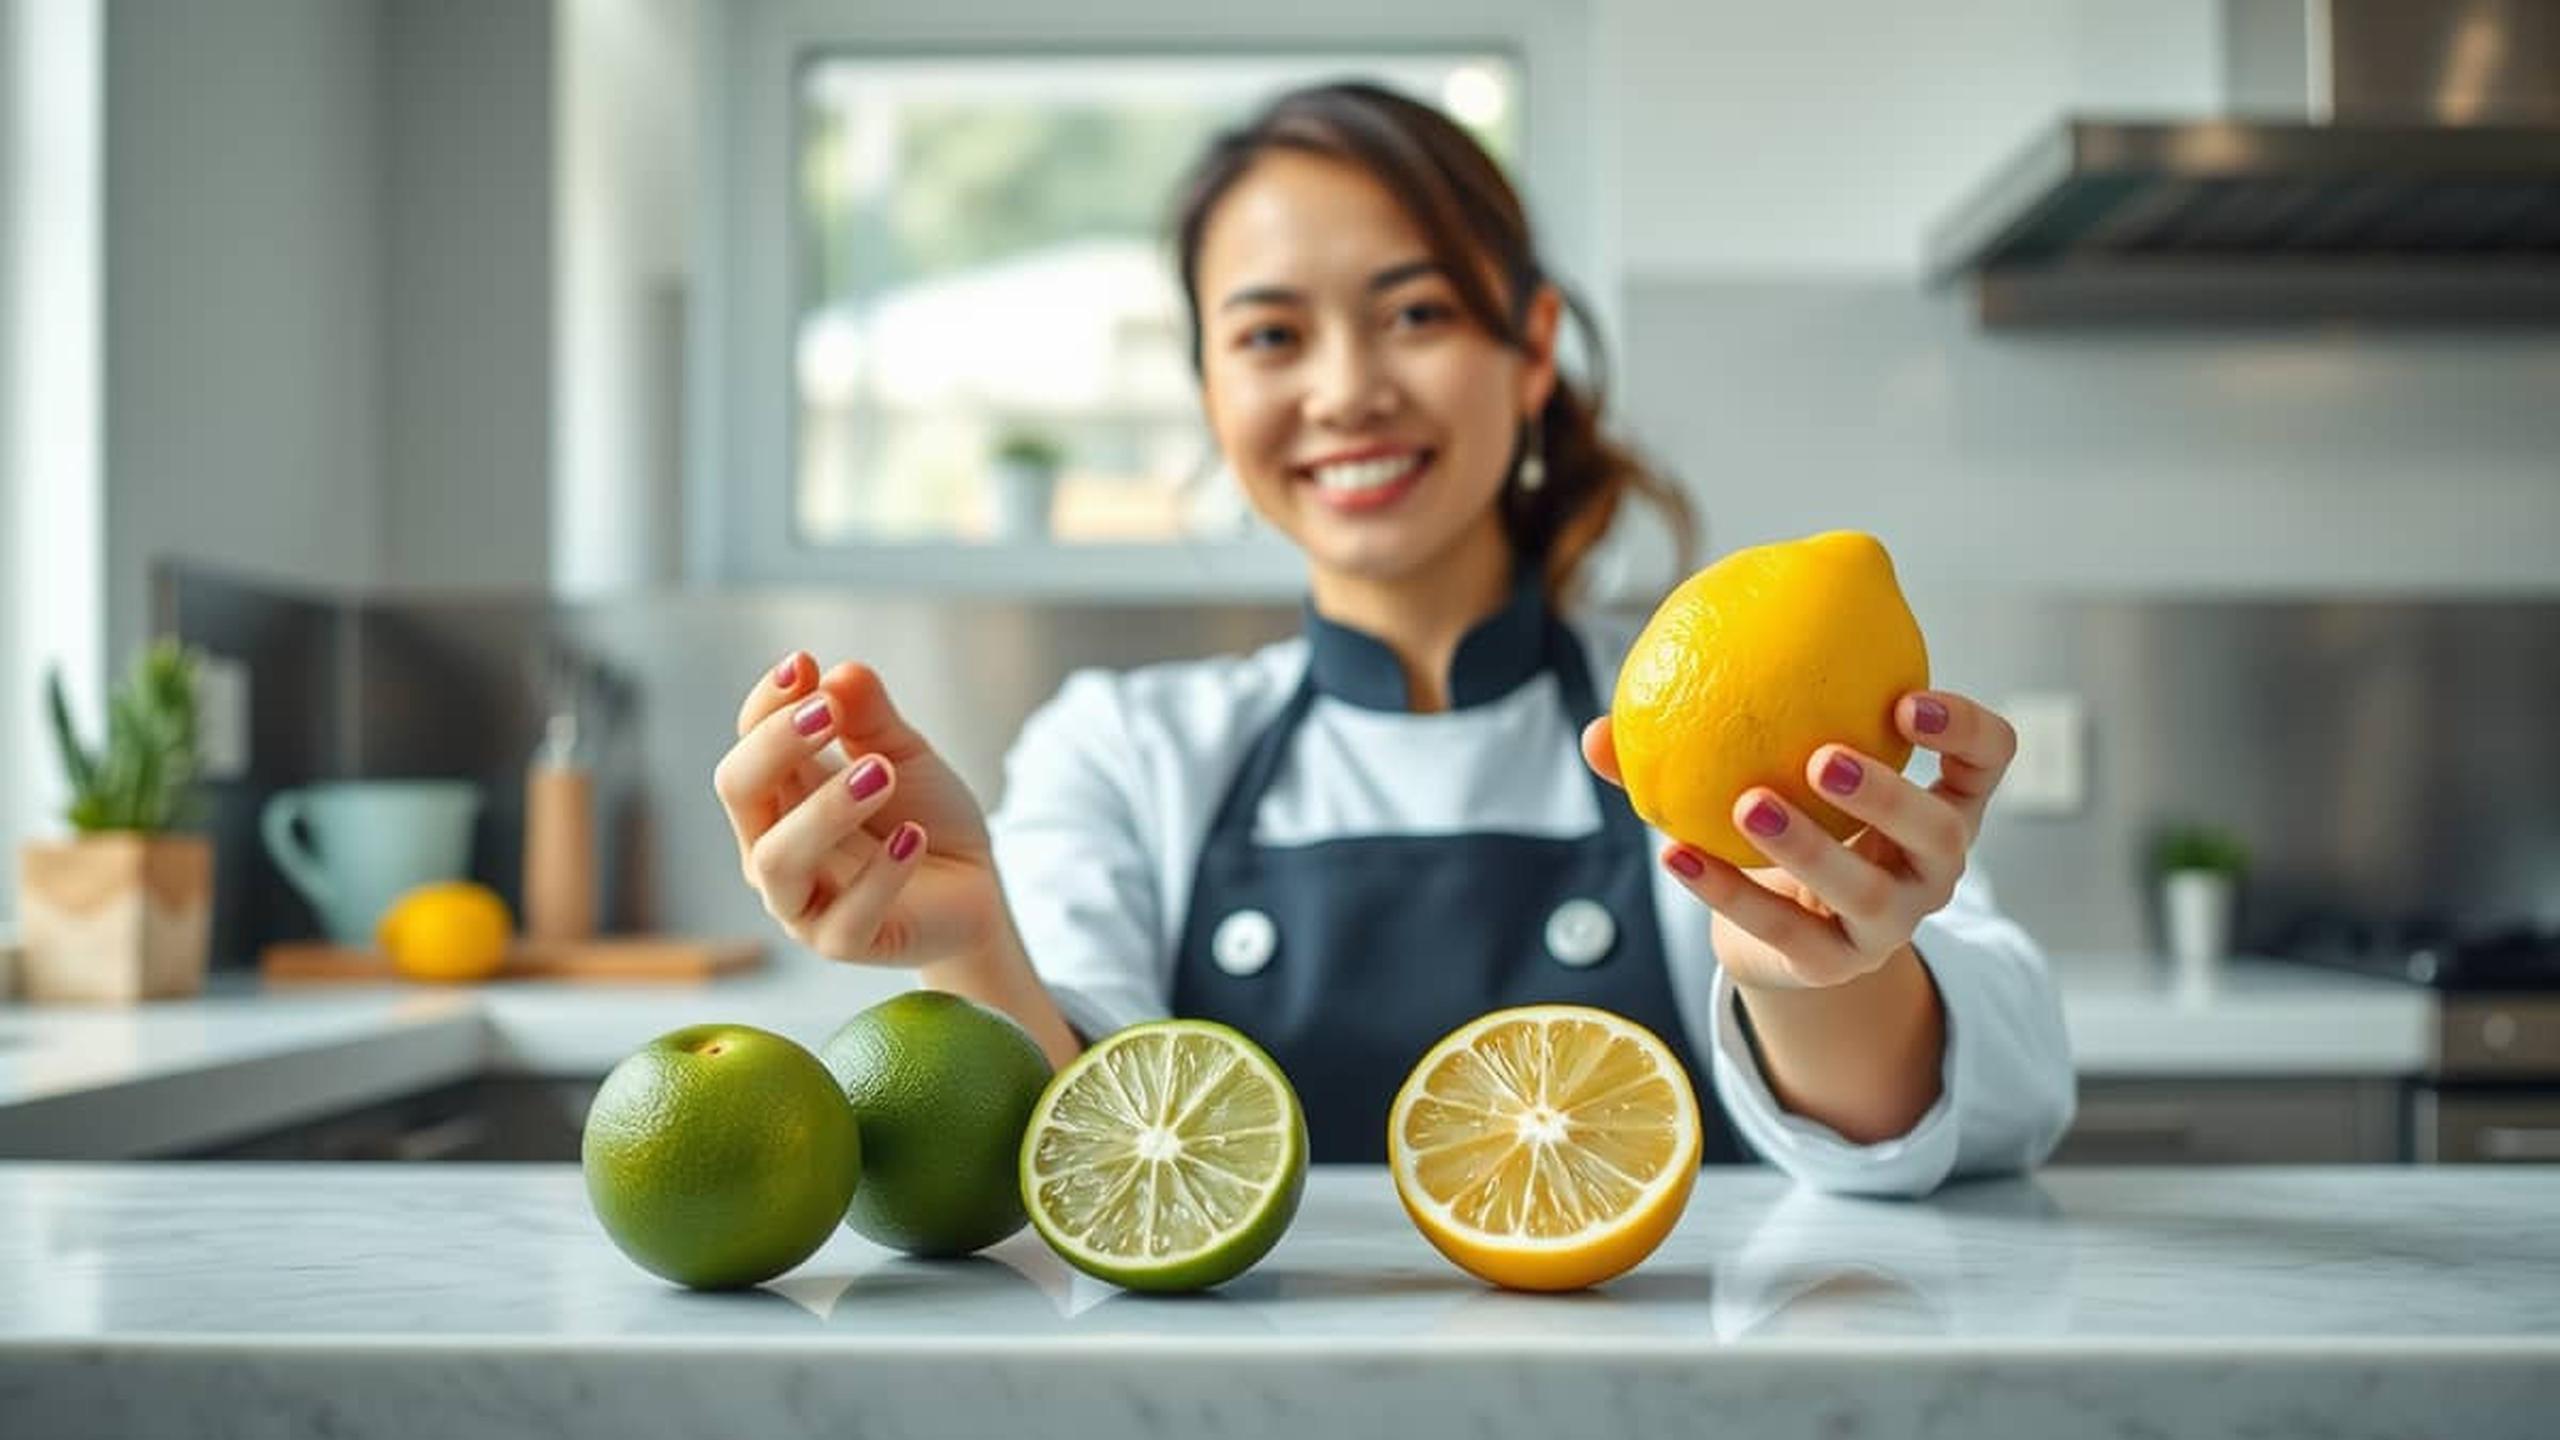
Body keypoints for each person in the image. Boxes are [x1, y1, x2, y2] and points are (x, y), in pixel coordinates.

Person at [711, 81, 2074, 1195]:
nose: (1348, 390)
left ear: (1532, 350)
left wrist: (1829, 965)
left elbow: (1999, 1098)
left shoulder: (1715, 739)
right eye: (1270, 336)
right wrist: (967, 942)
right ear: (1207, 388)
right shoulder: (1124, 749)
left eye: (1415, 314)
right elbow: (1084, 1168)